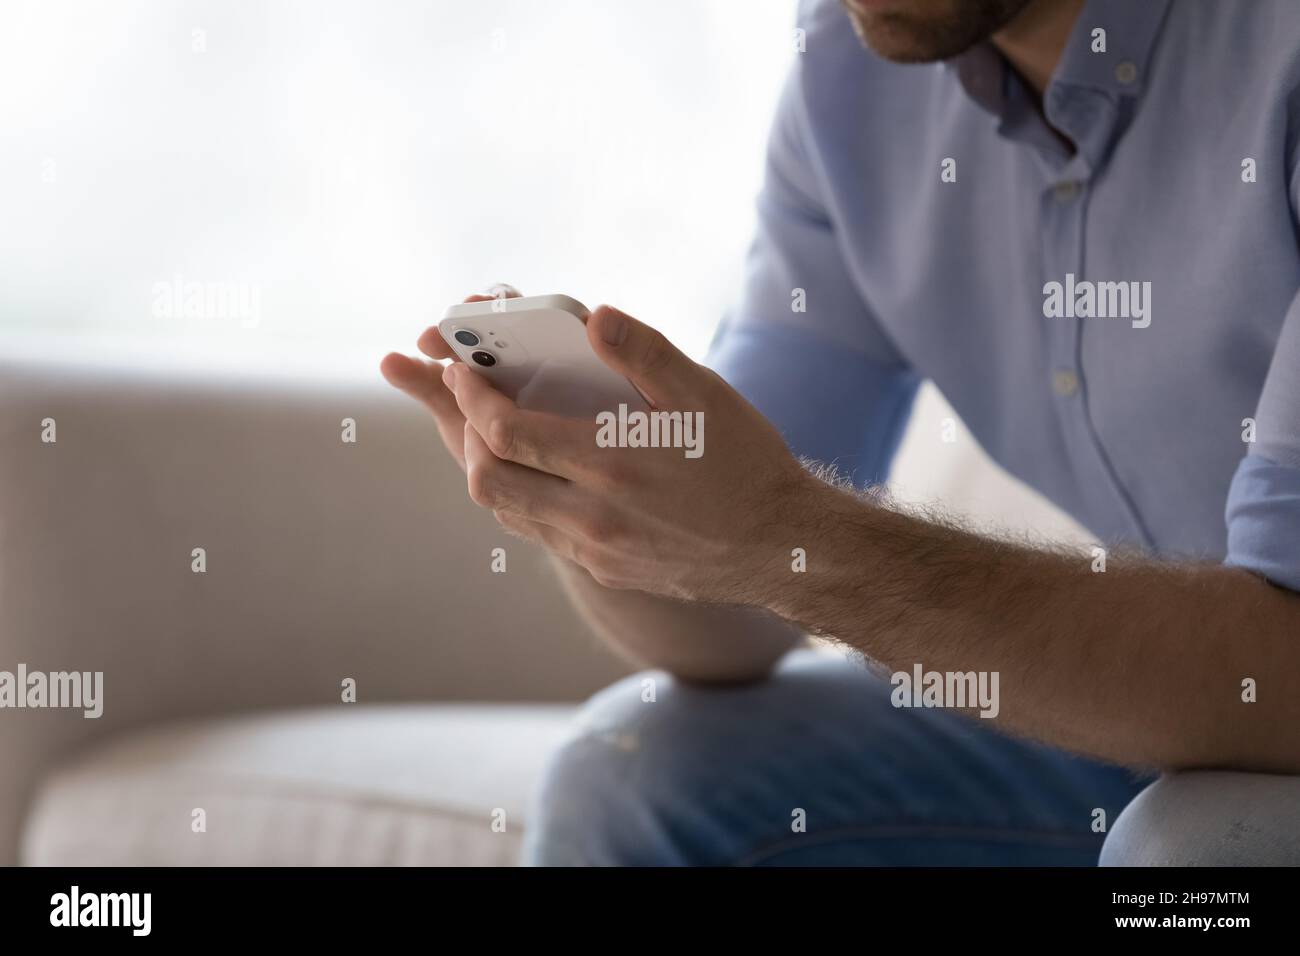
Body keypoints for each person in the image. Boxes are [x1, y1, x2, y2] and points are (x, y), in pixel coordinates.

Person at [381, 0, 1300, 865]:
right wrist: (600, 503)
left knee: (1199, 853)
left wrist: (786, 537)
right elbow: (729, 622)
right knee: (631, 779)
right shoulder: (850, 71)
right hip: (1154, 725)